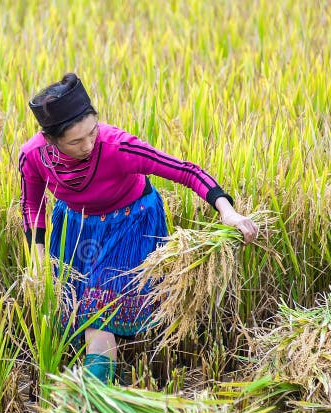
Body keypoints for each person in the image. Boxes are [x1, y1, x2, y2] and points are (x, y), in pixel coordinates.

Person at [19, 73, 258, 383]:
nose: (89, 145)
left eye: (92, 132)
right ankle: (106, 377)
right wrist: (37, 255)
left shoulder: (117, 146)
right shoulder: (33, 156)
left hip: (130, 224)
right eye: (75, 141)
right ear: (51, 140)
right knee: (71, 308)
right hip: (77, 228)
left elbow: (186, 171)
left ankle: (93, 395)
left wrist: (227, 211)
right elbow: (32, 206)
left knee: (97, 313)